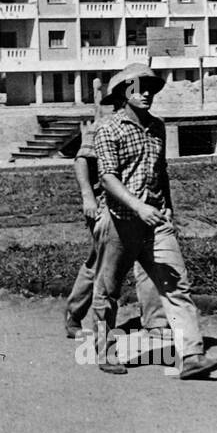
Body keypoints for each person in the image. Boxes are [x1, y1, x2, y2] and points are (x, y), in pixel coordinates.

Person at [91, 64, 217, 379]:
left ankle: (191, 356)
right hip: (120, 222)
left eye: (151, 87)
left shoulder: (158, 127)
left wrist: (168, 208)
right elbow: (108, 179)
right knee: (108, 290)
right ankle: (104, 350)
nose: (147, 93)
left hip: (156, 221)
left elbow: (160, 171)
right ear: (124, 93)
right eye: (139, 88)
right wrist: (137, 207)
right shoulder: (109, 128)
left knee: (176, 284)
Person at [64, 114, 169, 339]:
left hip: (146, 209)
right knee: (98, 266)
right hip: (108, 208)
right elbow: (82, 160)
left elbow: (160, 169)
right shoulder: (105, 124)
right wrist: (87, 197)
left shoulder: (153, 125)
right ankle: (74, 314)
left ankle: (155, 323)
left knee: (150, 264)